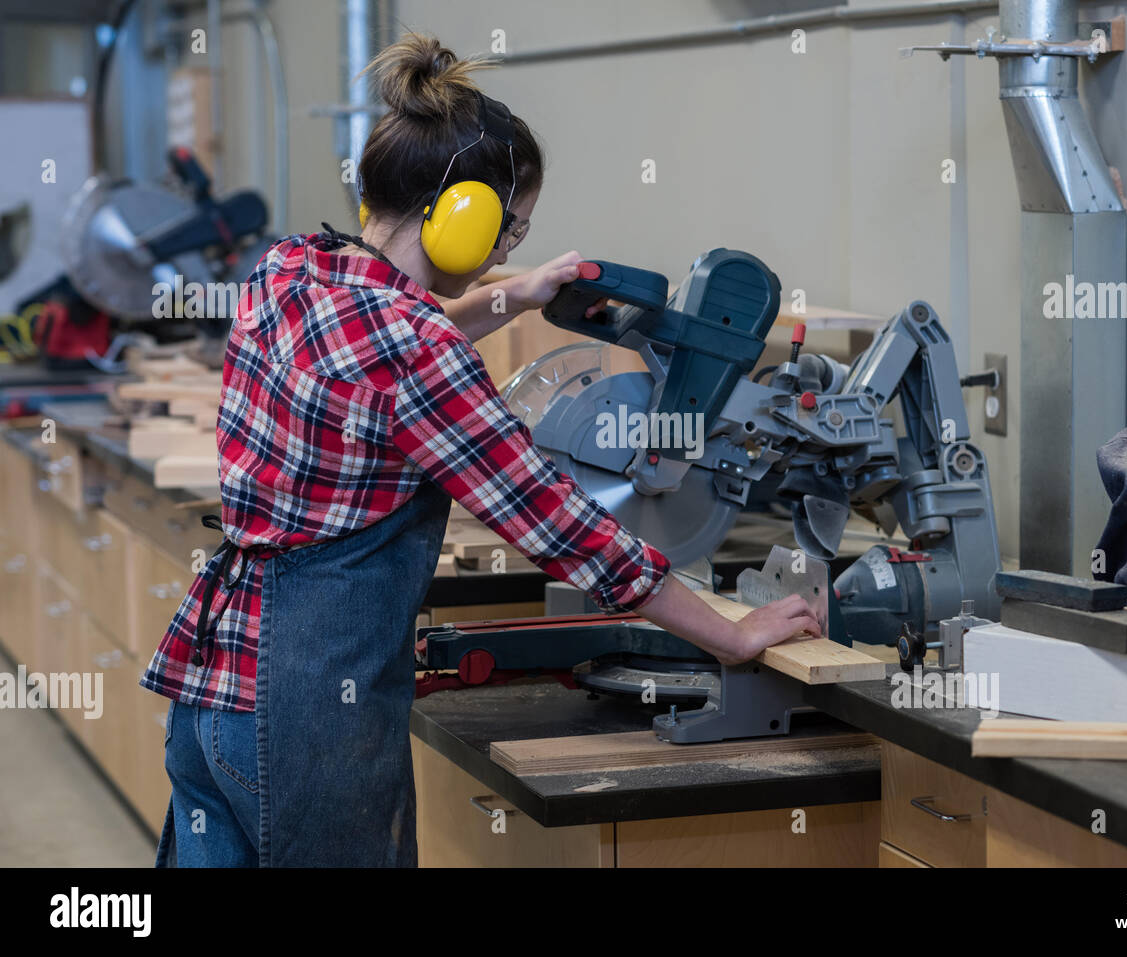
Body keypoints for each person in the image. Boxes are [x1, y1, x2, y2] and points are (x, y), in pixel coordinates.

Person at [140, 32, 821, 867]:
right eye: (511, 229)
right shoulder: (418, 349)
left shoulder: (288, 272)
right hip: (308, 715)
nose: (506, 252)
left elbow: (367, 362)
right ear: (461, 212)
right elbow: (564, 528)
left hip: (212, 689)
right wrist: (730, 633)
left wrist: (512, 301)